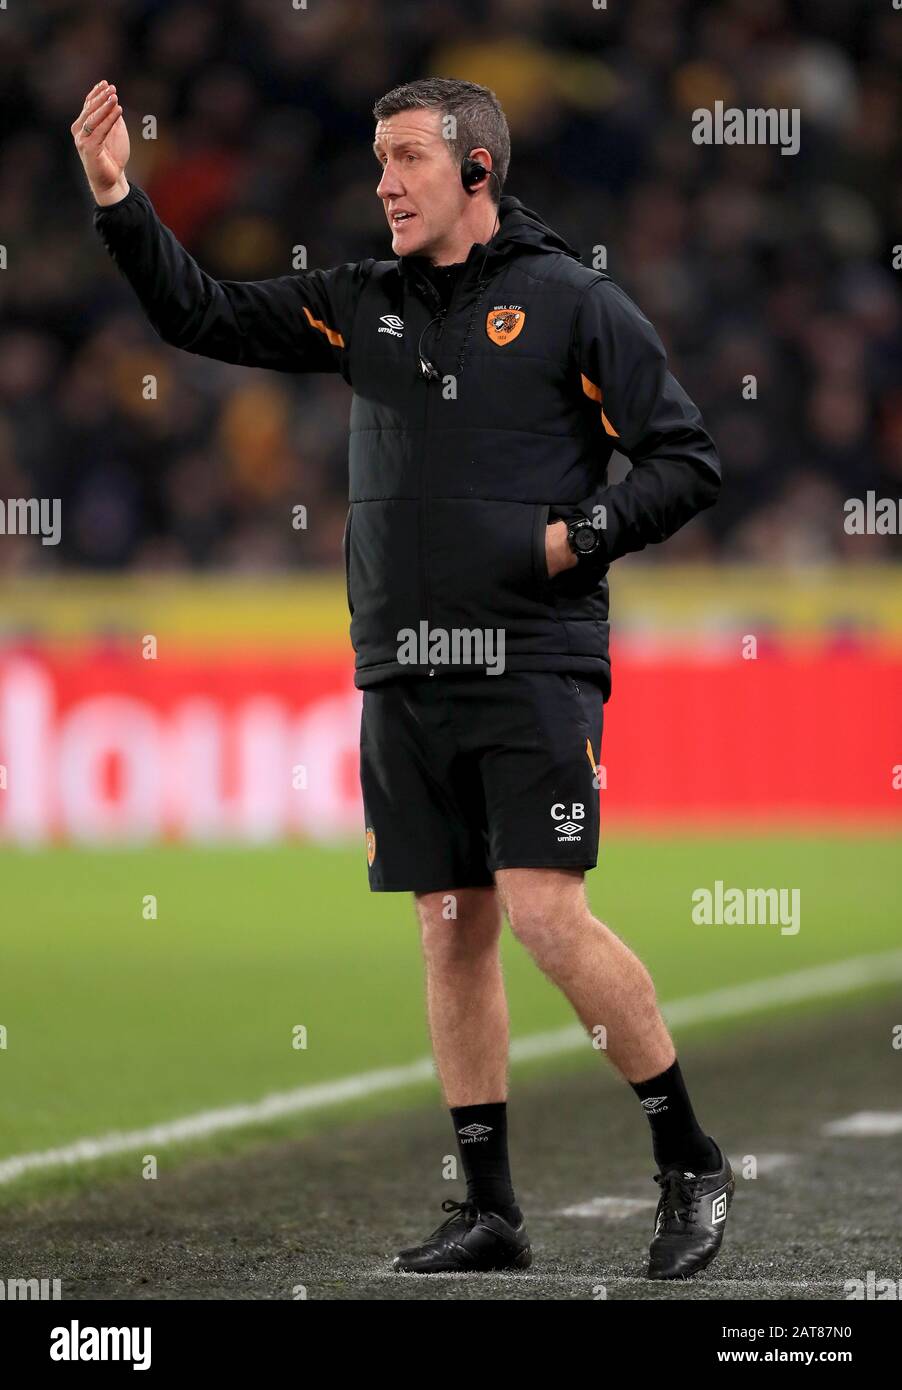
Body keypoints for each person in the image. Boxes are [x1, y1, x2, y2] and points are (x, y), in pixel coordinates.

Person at [74, 74, 732, 1281]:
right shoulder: (357, 303)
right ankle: (490, 1209)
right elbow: (202, 317)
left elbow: (685, 459)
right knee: (448, 927)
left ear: (475, 172)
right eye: (378, 160)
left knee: (542, 911)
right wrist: (119, 197)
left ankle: (686, 1158)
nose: (381, 182)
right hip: (399, 667)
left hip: (530, 658)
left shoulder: (571, 301)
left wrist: (566, 540)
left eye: (405, 159)